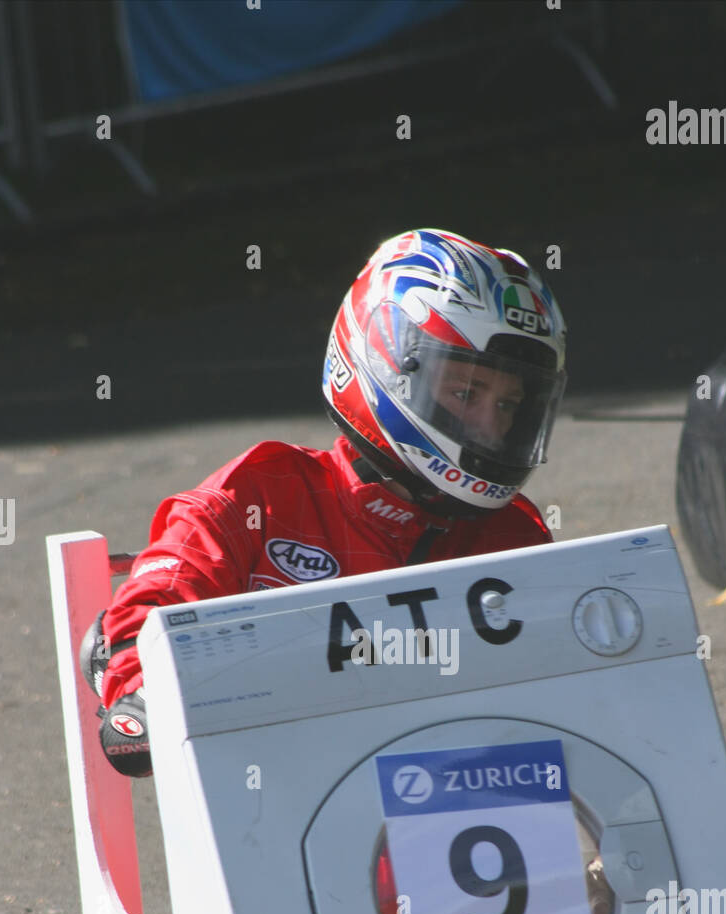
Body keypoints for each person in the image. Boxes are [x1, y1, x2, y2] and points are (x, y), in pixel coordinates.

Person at [81, 227, 568, 779]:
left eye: (509, 404)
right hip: (282, 803)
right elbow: (153, 606)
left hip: (466, 808)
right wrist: (141, 687)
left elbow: (571, 688)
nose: (490, 425)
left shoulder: (513, 538)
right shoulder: (263, 493)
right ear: (385, 365)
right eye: (464, 393)